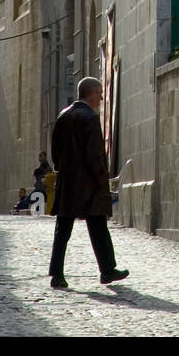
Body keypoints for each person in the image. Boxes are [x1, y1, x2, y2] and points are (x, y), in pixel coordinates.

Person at [47, 76, 128, 290]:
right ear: (91, 93)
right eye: (100, 93)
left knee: (62, 230)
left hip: (67, 182)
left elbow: (55, 151)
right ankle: (108, 269)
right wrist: (103, 183)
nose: (102, 97)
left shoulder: (63, 115)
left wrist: (64, 170)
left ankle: (57, 274)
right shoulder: (90, 118)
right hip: (89, 184)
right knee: (98, 227)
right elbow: (95, 156)